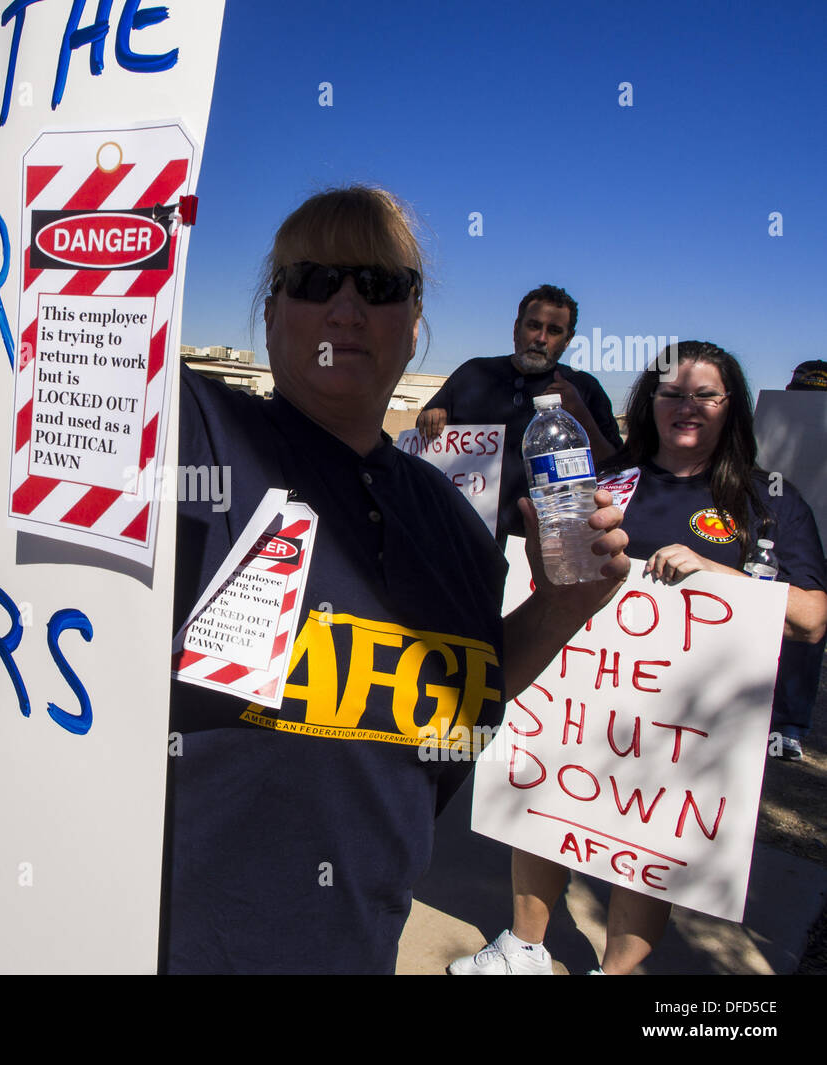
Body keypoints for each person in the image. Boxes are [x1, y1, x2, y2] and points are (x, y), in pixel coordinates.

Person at [158, 186, 632, 974]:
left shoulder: (451, 521)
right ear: (271, 314)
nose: (345, 309)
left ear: (413, 327)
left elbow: (452, 712)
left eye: (377, 286)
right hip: (175, 945)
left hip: (358, 946)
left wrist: (559, 609)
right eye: (312, 281)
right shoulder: (196, 437)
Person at [450, 341, 827, 975]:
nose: (688, 406)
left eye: (706, 394)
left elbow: (813, 618)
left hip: (682, 725)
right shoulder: (604, 478)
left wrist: (715, 574)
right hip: (578, 703)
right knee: (547, 811)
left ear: (730, 406)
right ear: (648, 402)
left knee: (648, 847)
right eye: (672, 392)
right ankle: (523, 948)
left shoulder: (768, 499)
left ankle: (617, 972)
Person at [415, 285, 623, 540]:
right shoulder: (473, 374)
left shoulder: (584, 389)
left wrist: (580, 415)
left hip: (546, 546)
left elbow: (616, 470)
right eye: (534, 326)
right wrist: (431, 417)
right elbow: (425, 432)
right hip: (460, 536)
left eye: (555, 331)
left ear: (568, 340)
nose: (541, 338)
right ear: (516, 329)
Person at [770, 359, 827, 759]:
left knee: (808, 635)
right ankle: (782, 724)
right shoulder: (773, 428)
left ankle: (788, 725)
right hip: (782, 541)